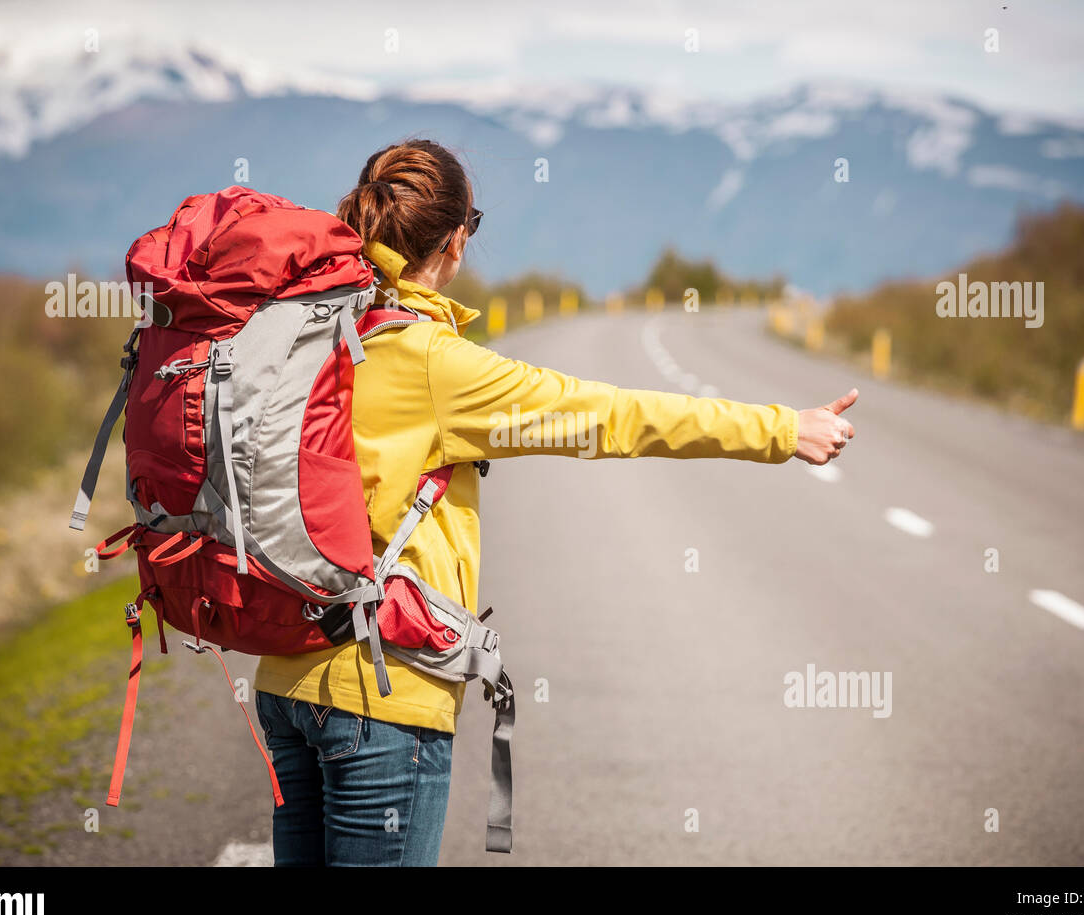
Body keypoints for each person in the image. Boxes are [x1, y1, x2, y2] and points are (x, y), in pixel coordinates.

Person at [253, 138, 857, 866]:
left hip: (285, 677)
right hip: (381, 697)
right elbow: (607, 417)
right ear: (456, 238)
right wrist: (783, 429)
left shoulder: (312, 334)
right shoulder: (434, 364)